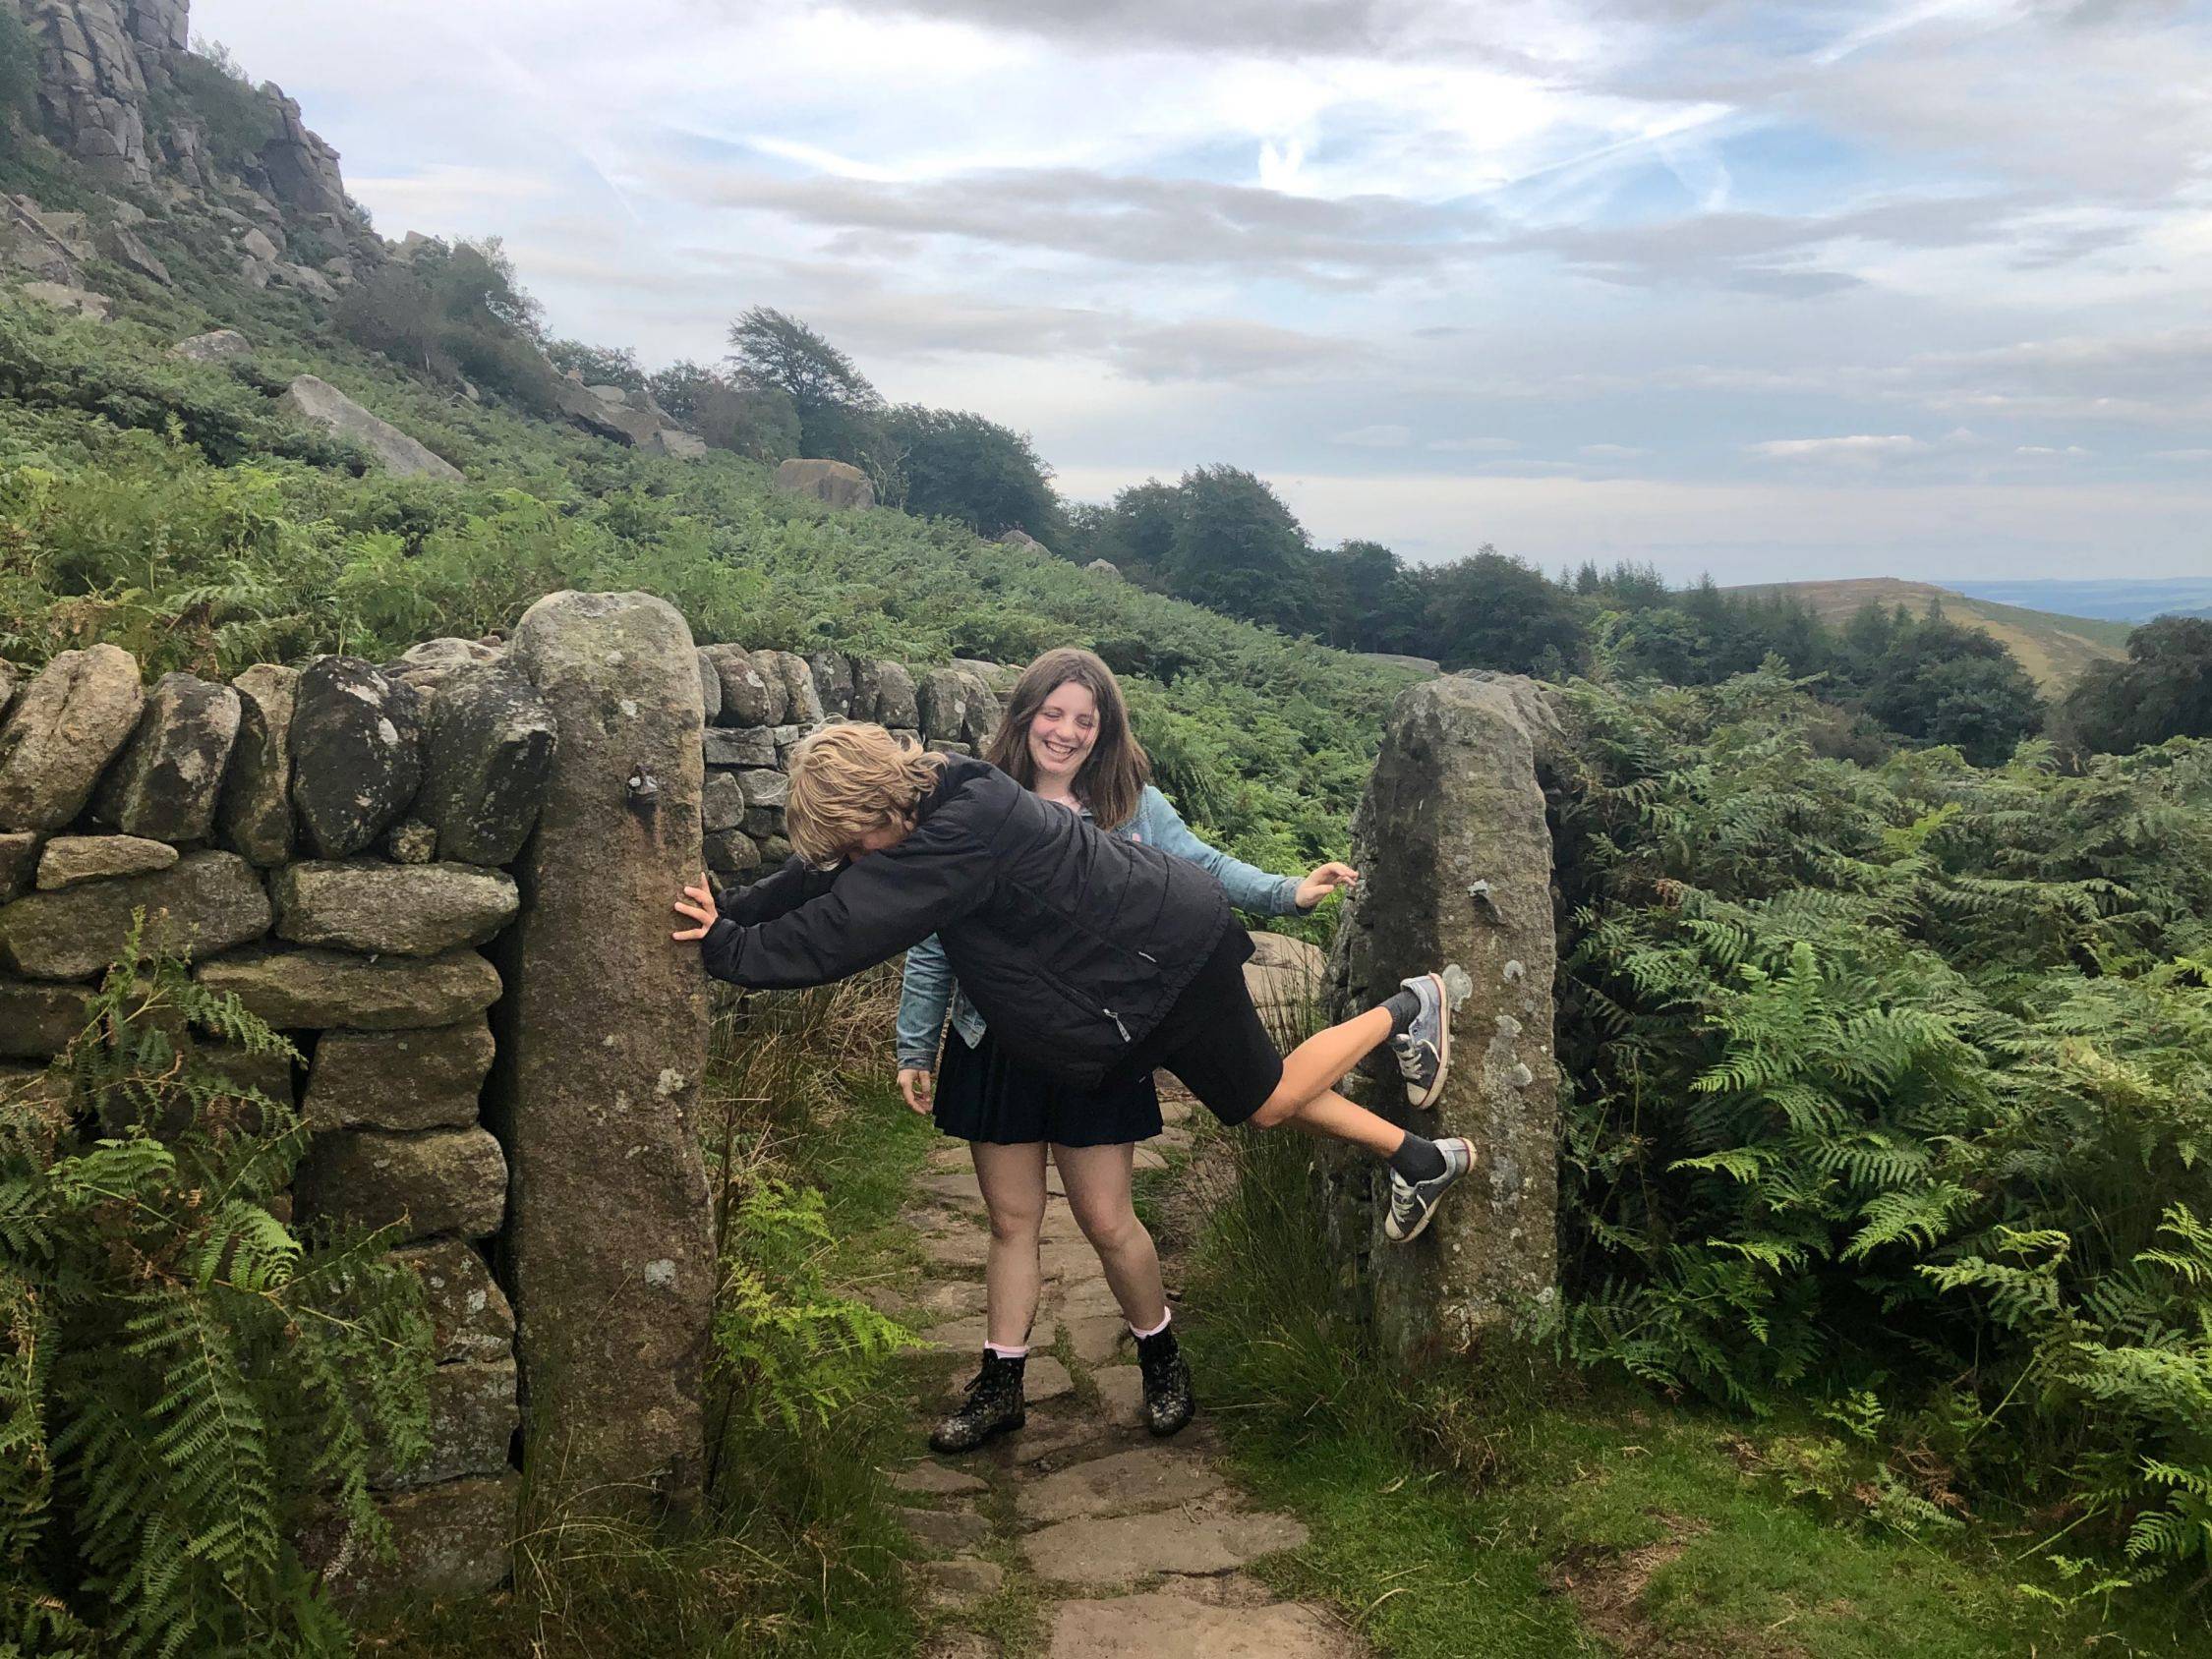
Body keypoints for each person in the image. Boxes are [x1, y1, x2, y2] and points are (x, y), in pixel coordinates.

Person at [672, 722, 1475, 1448]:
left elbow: (846, 927)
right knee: (1258, 1105)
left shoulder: (958, 834)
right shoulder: (942, 789)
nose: (853, 861)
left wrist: (730, 952)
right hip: (1132, 977)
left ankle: (1409, 1008)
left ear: (881, 808)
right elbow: (830, 881)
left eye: (856, 842)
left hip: (1170, 961)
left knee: (1264, 1102)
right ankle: (1418, 1156)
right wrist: (735, 910)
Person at [895, 649, 1366, 1451]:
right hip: (994, 1042)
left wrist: (1289, 891)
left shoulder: (1130, 807)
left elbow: (1204, 867)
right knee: (1012, 1222)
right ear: (1025, 714)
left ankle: (1161, 1358)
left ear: (1104, 730)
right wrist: (917, 1042)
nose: (1067, 732)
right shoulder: (978, 804)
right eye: (1054, 713)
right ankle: (1001, 1384)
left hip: (1096, 1040)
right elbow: (940, 932)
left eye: (1086, 719)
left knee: (1108, 1219)